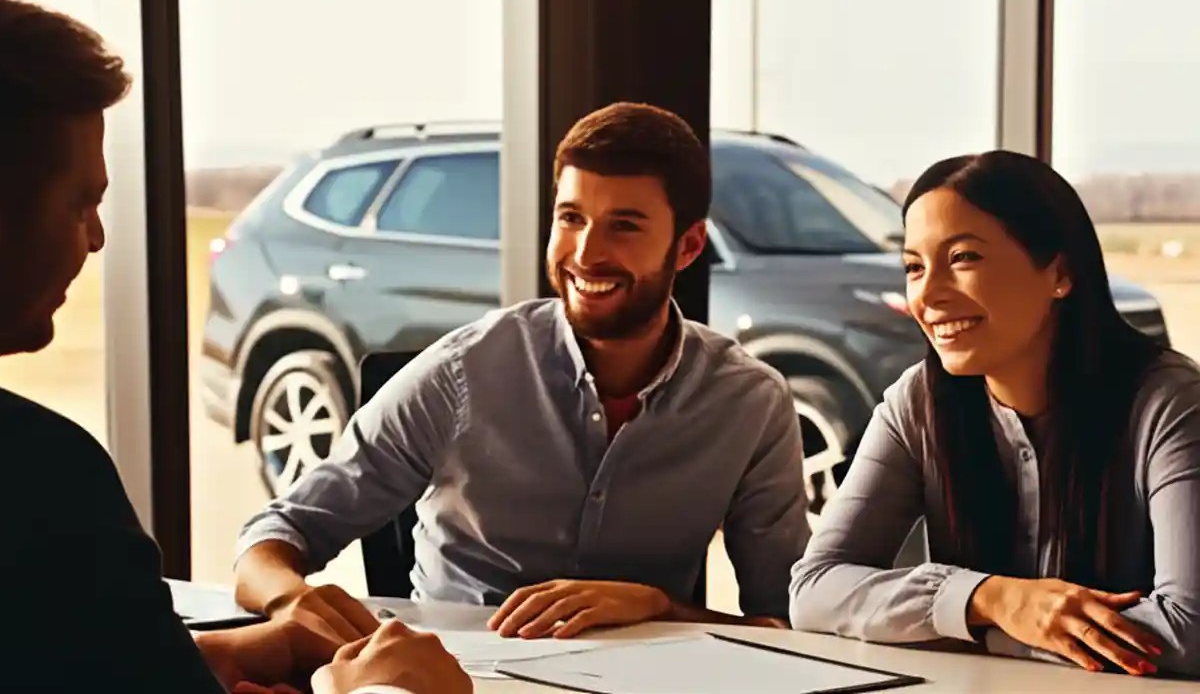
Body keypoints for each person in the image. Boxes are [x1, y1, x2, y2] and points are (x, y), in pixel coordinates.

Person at [0, 0, 465, 693]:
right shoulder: (21, 477)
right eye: (81, 203)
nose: (96, 238)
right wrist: (384, 691)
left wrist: (214, 660)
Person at [235, 102, 811, 641]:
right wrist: (290, 602)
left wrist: (659, 607)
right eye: (571, 218)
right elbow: (273, 539)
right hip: (463, 677)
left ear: (687, 247)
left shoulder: (751, 404)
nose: (586, 253)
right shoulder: (464, 371)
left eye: (624, 225)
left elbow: (783, 624)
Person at [787, 150, 1200, 678]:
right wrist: (990, 599)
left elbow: (1185, 632)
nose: (928, 294)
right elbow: (815, 590)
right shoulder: (917, 401)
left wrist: (986, 629)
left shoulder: (1167, 404)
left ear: (1060, 272)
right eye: (914, 267)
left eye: (963, 258)